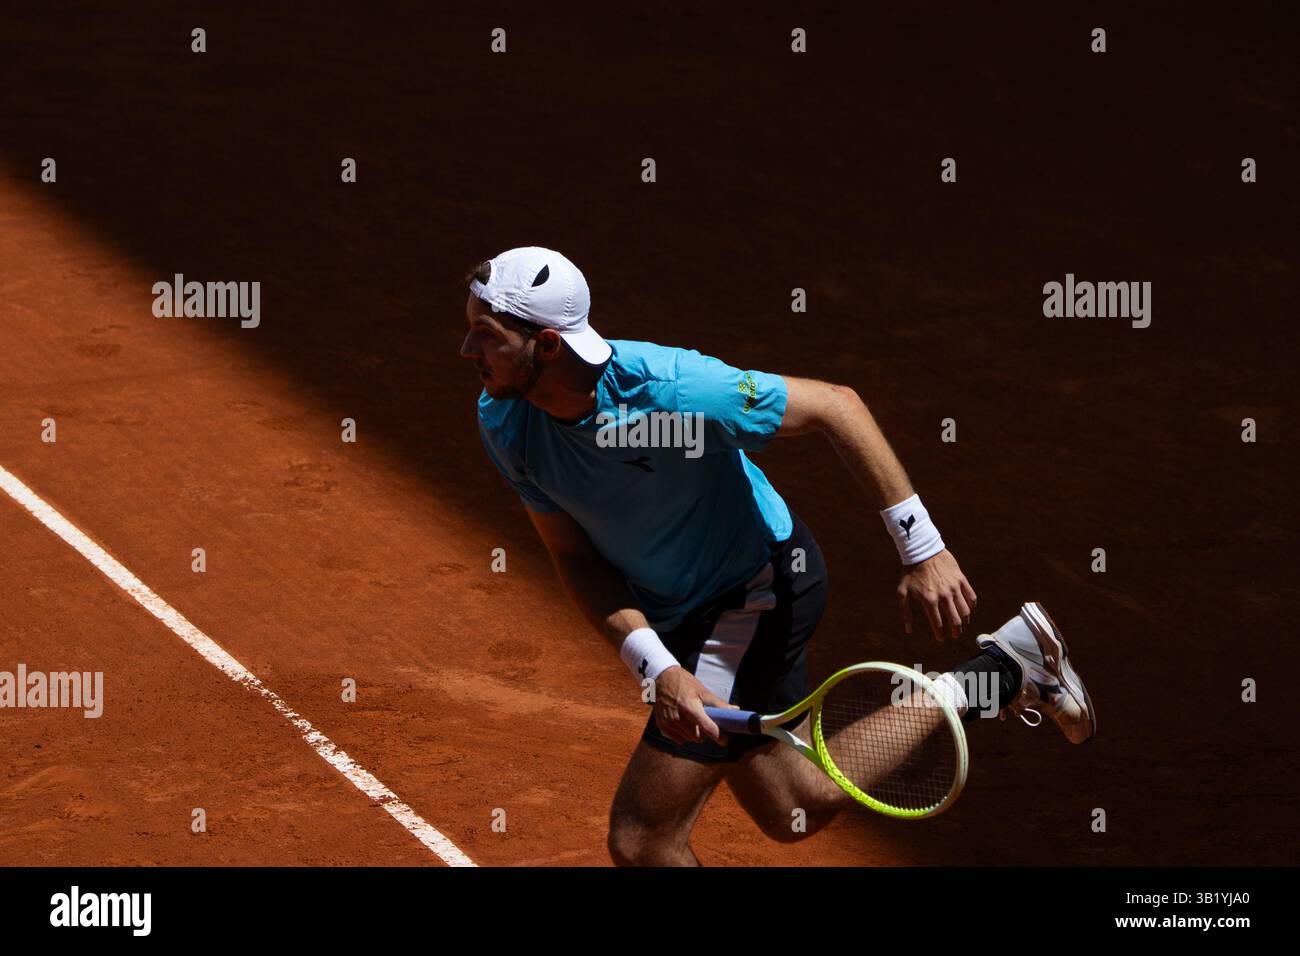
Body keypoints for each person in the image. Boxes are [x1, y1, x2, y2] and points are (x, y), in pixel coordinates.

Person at [464, 246, 1096, 866]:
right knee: (797, 805)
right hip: (675, 611)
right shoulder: (505, 421)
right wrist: (656, 664)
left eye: (484, 335)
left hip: (752, 593)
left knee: (642, 838)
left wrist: (923, 549)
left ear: (546, 344)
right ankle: (996, 672)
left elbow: (835, 405)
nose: (468, 351)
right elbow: (575, 558)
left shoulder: (675, 392)